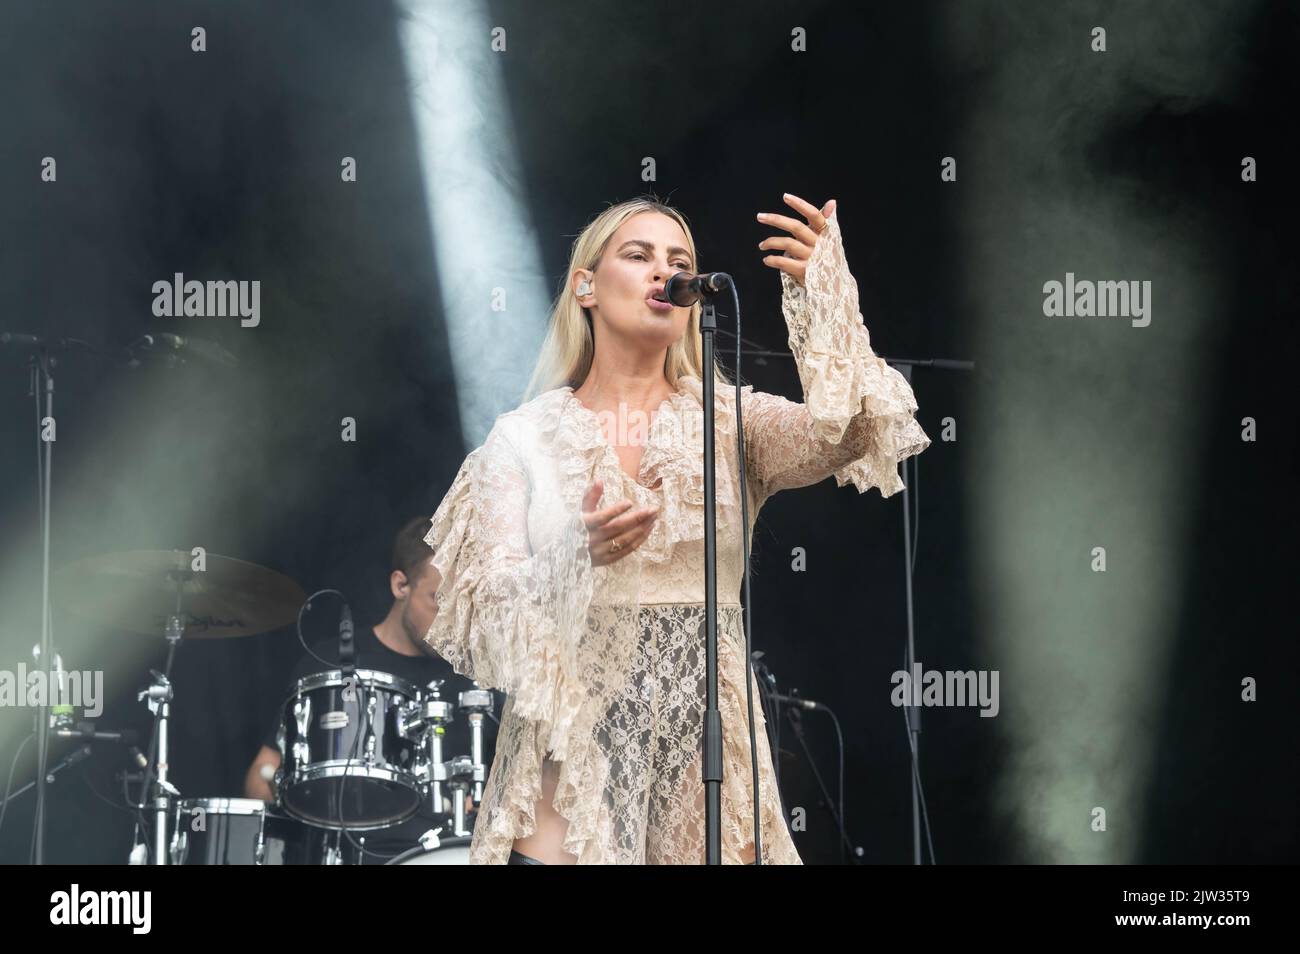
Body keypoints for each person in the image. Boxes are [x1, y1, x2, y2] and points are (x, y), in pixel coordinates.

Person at [422, 193, 930, 864]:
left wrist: (827, 295)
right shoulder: (522, 439)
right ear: (586, 286)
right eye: (638, 256)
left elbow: (856, 433)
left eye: (680, 261)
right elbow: (483, 610)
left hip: (708, 744)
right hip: (572, 742)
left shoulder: (729, 422)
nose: (665, 271)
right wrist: (574, 554)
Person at [244, 516, 498, 862]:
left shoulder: (473, 682)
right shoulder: (331, 663)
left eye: (458, 604)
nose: (449, 619)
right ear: (400, 585)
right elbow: (262, 774)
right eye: (438, 599)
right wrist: (299, 807)